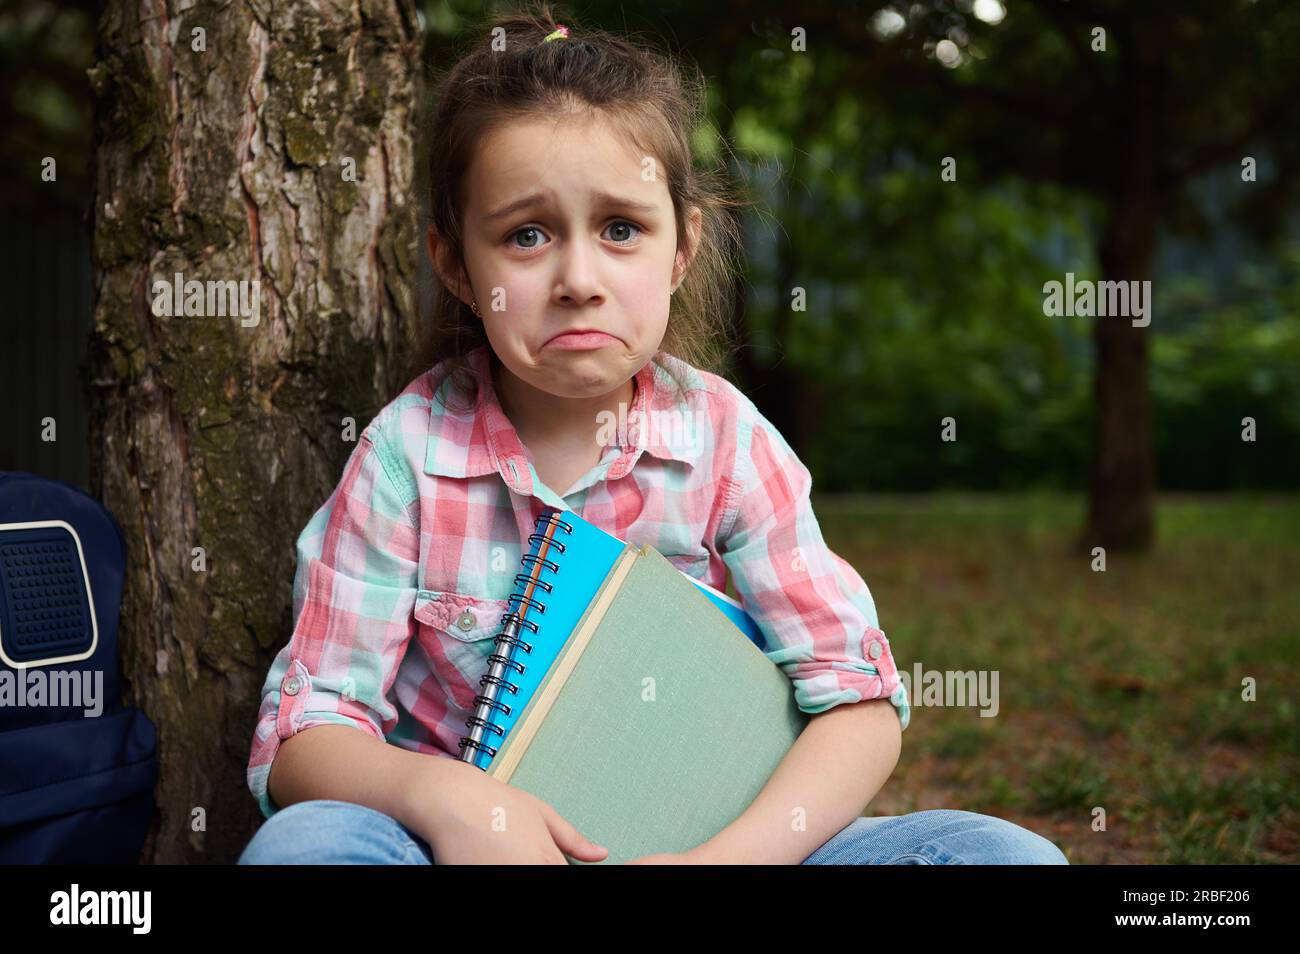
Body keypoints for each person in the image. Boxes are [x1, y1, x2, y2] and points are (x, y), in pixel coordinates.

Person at [238, 4, 1067, 866]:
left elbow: (856, 703)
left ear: (681, 247)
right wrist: (450, 801)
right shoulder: (407, 457)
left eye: (621, 229)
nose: (579, 280)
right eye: (527, 235)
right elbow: (304, 734)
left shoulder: (728, 446)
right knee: (304, 847)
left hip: (722, 846)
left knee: (1007, 859)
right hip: (453, 850)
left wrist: (730, 861)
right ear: (455, 264)